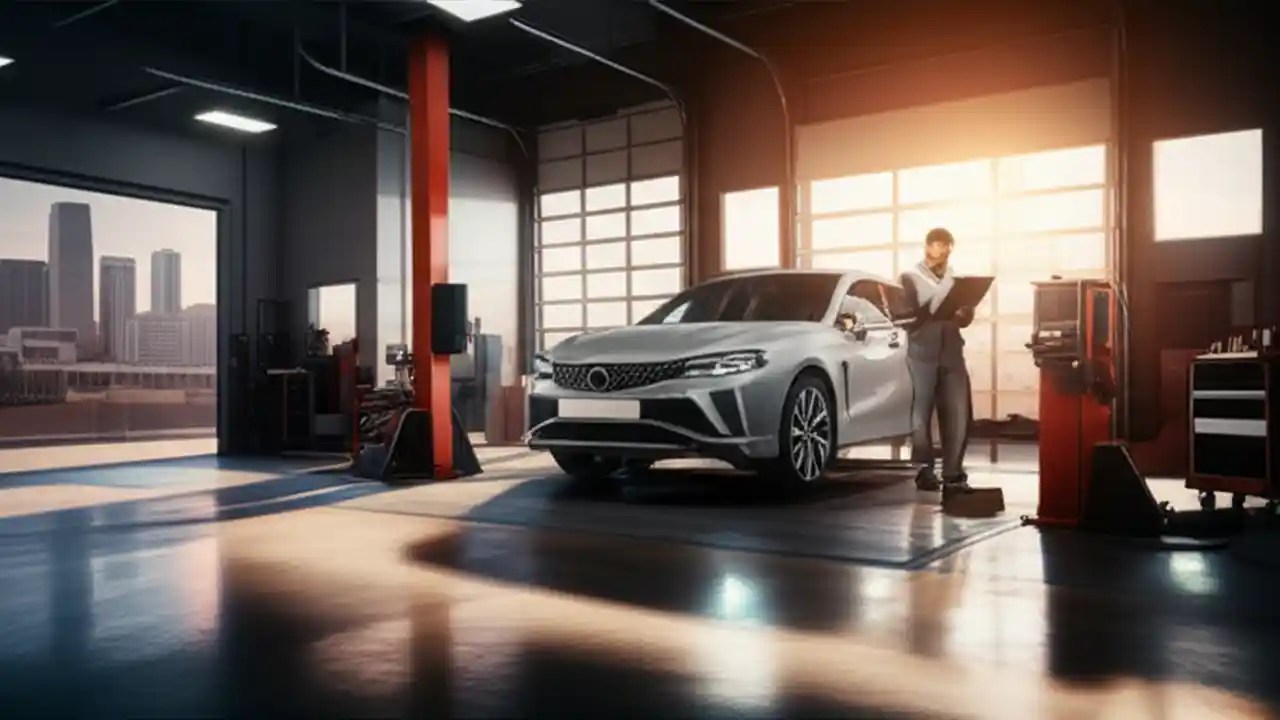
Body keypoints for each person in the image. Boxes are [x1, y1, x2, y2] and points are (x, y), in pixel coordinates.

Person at [899, 227, 976, 499]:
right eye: (938, 245)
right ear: (928, 246)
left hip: (953, 352)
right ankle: (924, 469)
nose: (943, 251)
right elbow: (906, 317)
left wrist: (964, 312)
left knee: (958, 412)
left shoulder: (956, 278)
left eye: (947, 246)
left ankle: (954, 474)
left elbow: (966, 318)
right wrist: (935, 306)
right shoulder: (909, 277)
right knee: (920, 415)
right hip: (922, 353)